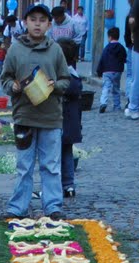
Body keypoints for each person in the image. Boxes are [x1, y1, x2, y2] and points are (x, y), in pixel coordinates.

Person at [1, 4, 70, 219]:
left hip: (50, 117)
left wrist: (54, 85)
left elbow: (66, 80)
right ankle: (18, 208)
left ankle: (53, 207)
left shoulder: (55, 50)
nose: (37, 24)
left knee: (50, 166)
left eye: (42, 20)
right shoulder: (16, 49)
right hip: (25, 116)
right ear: (25, 23)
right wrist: (12, 86)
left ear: (49, 25)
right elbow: (5, 77)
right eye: (33, 20)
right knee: (24, 166)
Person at [59, 40, 83, 198]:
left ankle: (59, 185)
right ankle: (68, 185)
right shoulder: (73, 75)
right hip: (71, 124)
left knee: (57, 155)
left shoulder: (67, 78)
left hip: (62, 123)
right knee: (66, 153)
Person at [94, 26, 126, 114]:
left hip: (107, 71)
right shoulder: (121, 48)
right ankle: (117, 106)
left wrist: (99, 72)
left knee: (106, 88)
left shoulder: (106, 48)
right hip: (117, 71)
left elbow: (102, 60)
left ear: (110, 37)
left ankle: (103, 103)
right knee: (116, 88)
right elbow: (124, 58)